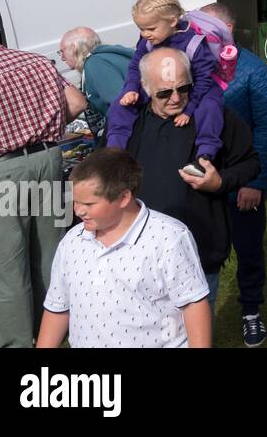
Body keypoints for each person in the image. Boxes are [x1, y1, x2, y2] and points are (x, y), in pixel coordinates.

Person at [0, 7, 84, 347]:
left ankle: (19, 344)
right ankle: (59, 333)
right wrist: (39, 126)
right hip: (50, 159)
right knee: (51, 256)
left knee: (8, 270)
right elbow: (76, 103)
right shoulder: (37, 62)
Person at [120, 47, 260, 308]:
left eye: (184, 88)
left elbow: (251, 163)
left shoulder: (216, 117)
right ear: (145, 87)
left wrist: (219, 182)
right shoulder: (130, 122)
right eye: (164, 92)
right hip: (139, 253)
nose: (176, 98)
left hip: (199, 250)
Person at [37, 149, 211, 348]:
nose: (78, 210)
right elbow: (57, 306)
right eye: (75, 201)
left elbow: (193, 304)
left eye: (89, 203)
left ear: (123, 198)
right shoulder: (72, 241)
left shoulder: (169, 238)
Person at [201, 3, 267, 347]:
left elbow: (266, 127)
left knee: (248, 251)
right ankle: (198, 318)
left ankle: (251, 312)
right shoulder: (196, 65)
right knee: (201, 254)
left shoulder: (251, 69)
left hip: (241, 180)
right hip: (203, 184)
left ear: (226, 30)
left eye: (206, 28)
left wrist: (255, 181)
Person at [105, 0, 227, 167]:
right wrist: (130, 89)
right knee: (120, 105)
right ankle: (115, 150)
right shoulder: (147, 42)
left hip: (194, 88)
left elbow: (204, 79)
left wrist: (189, 110)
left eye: (151, 29)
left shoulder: (194, 43)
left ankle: (205, 154)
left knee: (210, 107)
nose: (145, 34)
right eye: (141, 29)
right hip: (160, 87)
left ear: (172, 21)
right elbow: (135, 66)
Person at [59, 26, 135, 147]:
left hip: (129, 135)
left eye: (62, 51)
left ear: (73, 48)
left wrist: (115, 144)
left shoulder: (95, 64)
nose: (62, 57)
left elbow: (120, 104)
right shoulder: (104, 58)